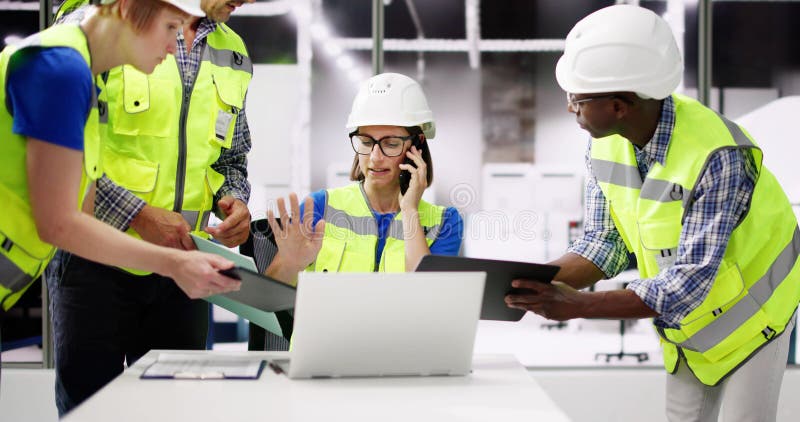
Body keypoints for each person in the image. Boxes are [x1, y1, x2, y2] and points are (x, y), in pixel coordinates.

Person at [504, 5, 800, 422]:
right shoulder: (604, 143)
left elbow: (688, 283)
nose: (570, 106)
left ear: (620, 105)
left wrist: (577, 306)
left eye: (579, 97)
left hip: (755, 313)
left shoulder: (718, 155)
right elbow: (604, 244)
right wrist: (524, 282)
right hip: (687, 324)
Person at [0, 0, 241, 392]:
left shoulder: (85, 76)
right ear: (129, 8)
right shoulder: (60, 68)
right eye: (170, 27)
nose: (175, 44)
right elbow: (58, 221)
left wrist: (172, 264)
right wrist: (174, 264)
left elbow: (83, 202)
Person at [265, 72, 463, 284]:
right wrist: (290, 264)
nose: (375, 158)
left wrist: (409, 210)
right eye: (366, 142)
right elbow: (269, 298)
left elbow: (428, 297)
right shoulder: (320, 207)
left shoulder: (444, 223)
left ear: (417, 145)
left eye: (391, 144)